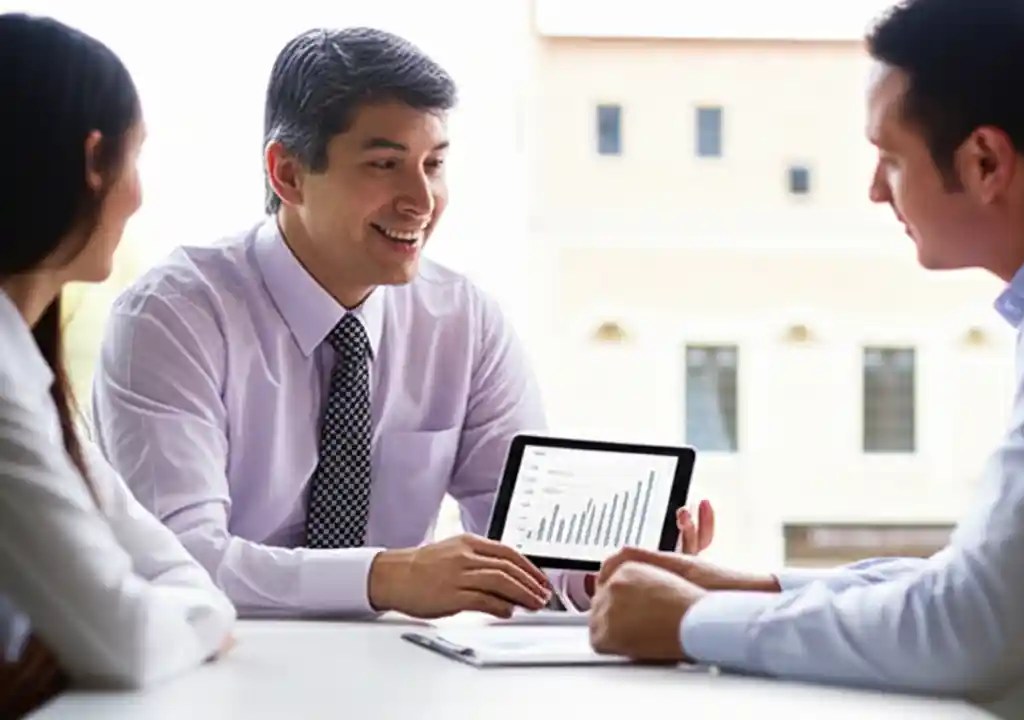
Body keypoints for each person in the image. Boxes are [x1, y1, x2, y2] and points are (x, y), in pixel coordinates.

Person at [586, 0, 1024, 717]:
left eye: (890, 156)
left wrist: (689, 624)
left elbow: (972, 627)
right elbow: (985, 577)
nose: (874, 189)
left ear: (985, 161)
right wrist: (750, 590)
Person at [90, 26, 714, 621]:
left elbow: (519, 542)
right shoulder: (171, 319)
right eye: (385, 165)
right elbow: (182, 558)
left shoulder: (464, 323)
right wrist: (384, 576)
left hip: (400, 674)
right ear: (288, 173)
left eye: (434, 164)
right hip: (212, 668)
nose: (422, 200)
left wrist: (605, 574)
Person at [0, 13, 236, 715]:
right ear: (93, 160)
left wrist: (162, 617)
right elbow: (126, 637)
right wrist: (193, 621)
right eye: (136, 160)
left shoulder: (28, 371)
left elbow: (171, 570)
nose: (139, 194)